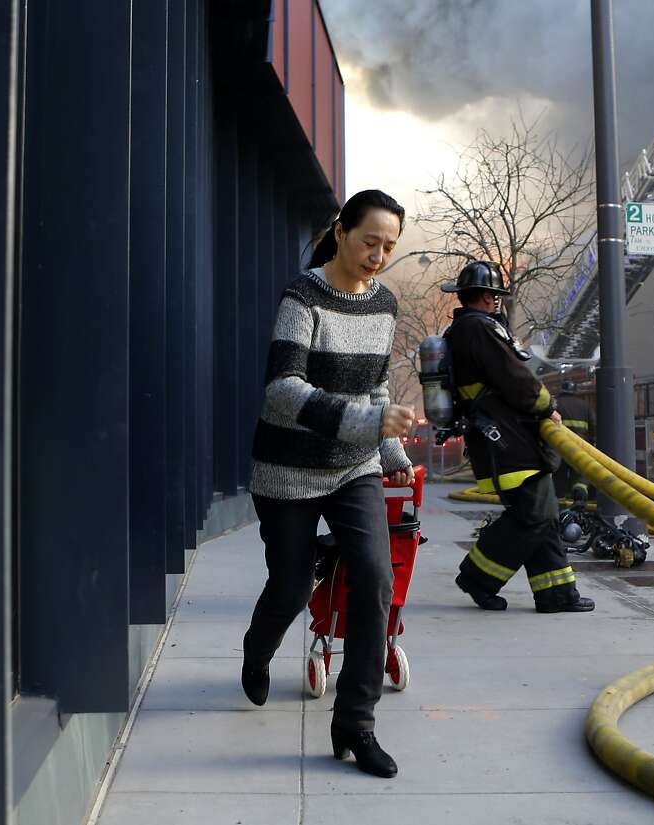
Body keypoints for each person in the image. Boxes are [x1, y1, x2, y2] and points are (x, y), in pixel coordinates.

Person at [241, 189, 415, 779]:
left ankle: (356, 723)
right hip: (286, 471)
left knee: (375, 577)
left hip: (353, 468)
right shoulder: (303, 297)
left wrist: (389, 449)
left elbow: (376, 389)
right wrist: (367, 421)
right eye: (370, 242)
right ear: (341, 233)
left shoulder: (385, 304)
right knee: (292, 585)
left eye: (389, 246)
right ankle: (258, 649)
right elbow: (282, 391)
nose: (378, 256)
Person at [441, 261, 595, 614]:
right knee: (535, 515)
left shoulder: (467, 330)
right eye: (495, 295)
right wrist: (547, 406)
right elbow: (514, 377)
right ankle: (477, 577)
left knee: (544, 515)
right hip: (507, 441)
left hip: (505, 439)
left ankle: (556, 593)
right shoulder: (479, 329)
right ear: (485, 296)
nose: (498, 301)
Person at [552, 379, 593, 500]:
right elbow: (593, 426)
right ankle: (578, 498)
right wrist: (592, 442)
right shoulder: (584, 405)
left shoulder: (555, 404)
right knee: (579, 474)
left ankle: (560, 500)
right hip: (580, 446)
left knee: (559, 475)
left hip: (559, 446)